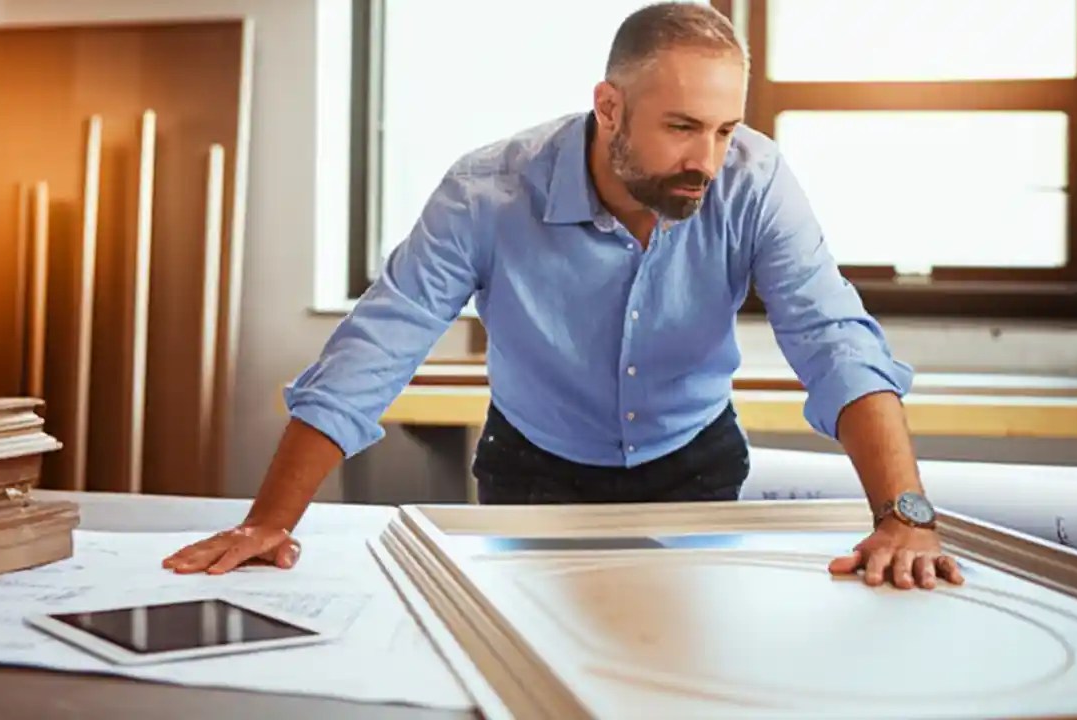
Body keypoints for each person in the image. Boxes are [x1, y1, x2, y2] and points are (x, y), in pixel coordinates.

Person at [163, 2, 963, 591]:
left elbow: (835, 341)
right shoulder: (486, 192)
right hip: (532, 472)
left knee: (677, 676)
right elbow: (376, 346)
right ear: (608, 106)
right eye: (682, 127)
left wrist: (904, 513)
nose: (708, 160)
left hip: (695, 466)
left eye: (724, 130)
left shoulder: (755, 180)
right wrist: (270, 520)